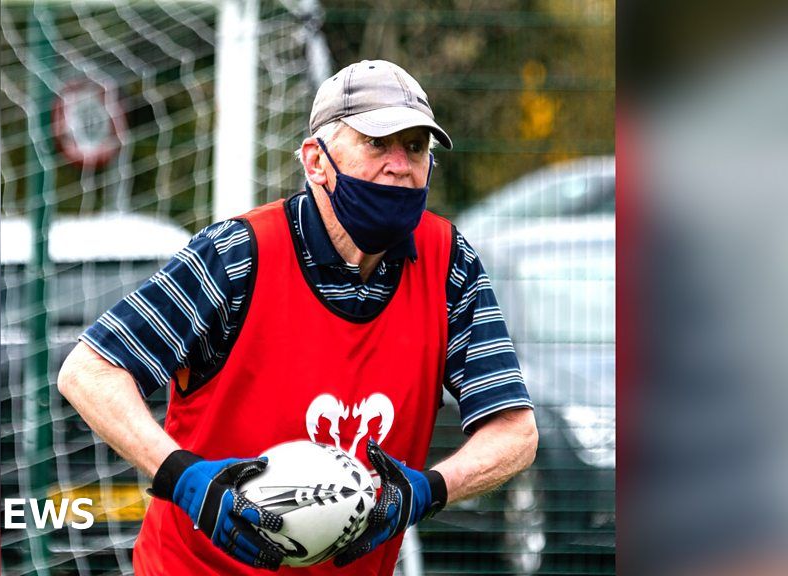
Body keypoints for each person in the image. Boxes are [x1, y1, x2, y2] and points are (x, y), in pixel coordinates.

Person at [58, 59, 538, 575]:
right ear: (316, 161)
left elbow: (515, 431)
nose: (400, 164)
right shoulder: (238, 254)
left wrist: (429, 490)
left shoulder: (448, 265)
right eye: (378, 143)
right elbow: (89, 372)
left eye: (416, 146)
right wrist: (187, 478)